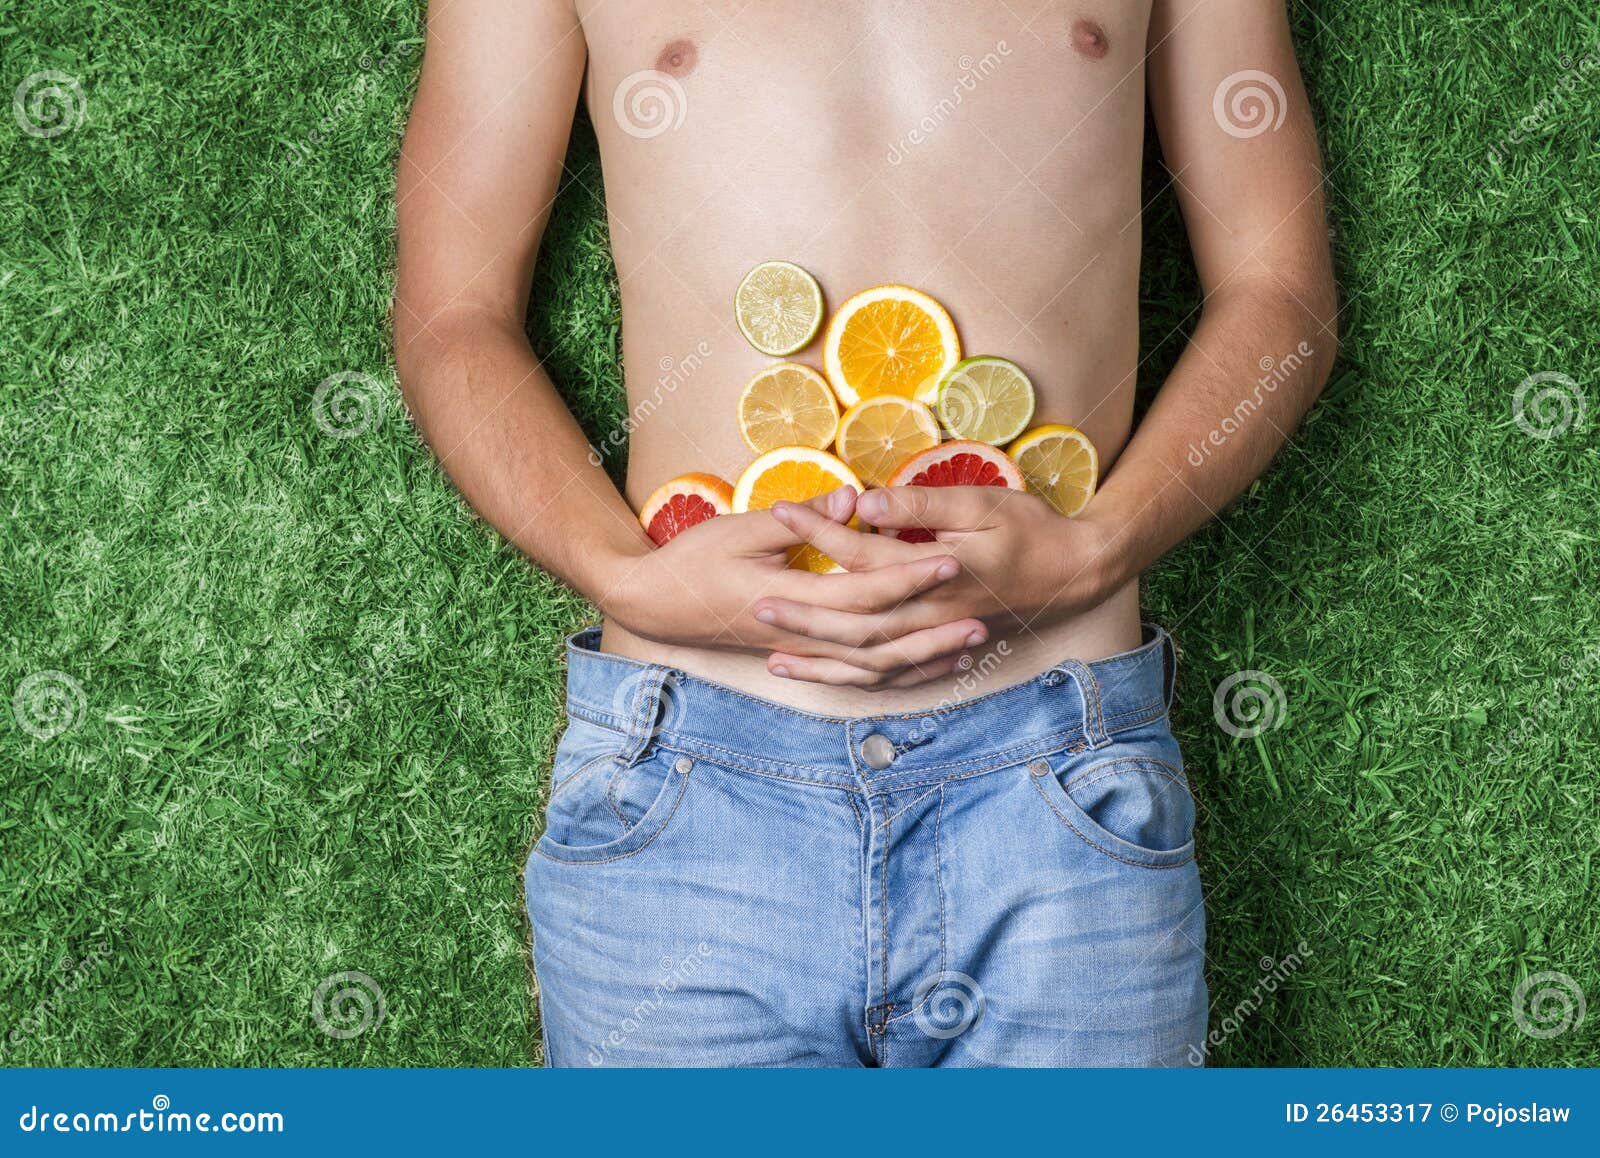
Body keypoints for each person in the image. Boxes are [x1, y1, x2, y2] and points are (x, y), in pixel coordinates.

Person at [394, 0, 1335, 1066]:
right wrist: (625, 577)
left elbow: (1280, 296)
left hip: (1058, 780)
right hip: (689, 783)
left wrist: (1099, 546)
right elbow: (451, 316)